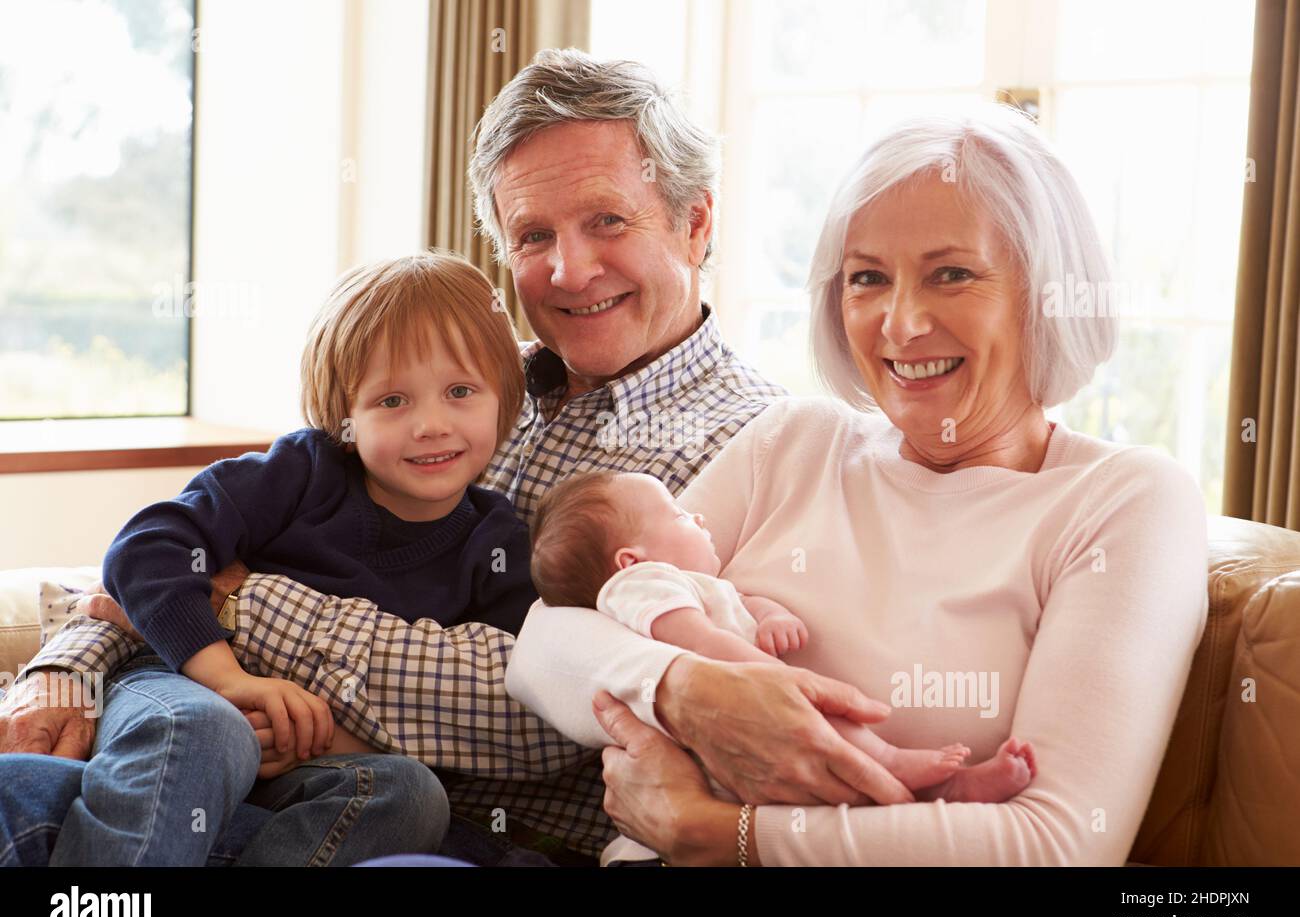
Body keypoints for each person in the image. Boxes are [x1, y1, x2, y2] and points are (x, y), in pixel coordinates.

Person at [0, 49, 787, 866]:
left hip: (438, 827)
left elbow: (549, 696)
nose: (569, 269)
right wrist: (65, 671)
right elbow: (178, 546)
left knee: (56, 811)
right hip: (253, 760)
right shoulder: (458, 379)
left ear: (695, 221)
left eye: (608, 221)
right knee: (71, 786)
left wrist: (241, 612)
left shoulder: (761, 447)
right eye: (532, 235)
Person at [504, 105, 1210, 866]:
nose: (900, 323)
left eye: (952, 274)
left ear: (1047, 290)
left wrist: (723, 834)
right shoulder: (794, 440)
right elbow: (546, 644)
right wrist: (686, 689)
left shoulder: (1127, 501)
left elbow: (1056, 845)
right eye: (868, 278)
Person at [1, 250, 538, 865]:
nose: (431, 424)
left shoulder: (497, 542)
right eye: (392, 401)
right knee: (207, 729)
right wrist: (230, 681)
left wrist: (314, 733)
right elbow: (144, 549)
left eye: (460, 391)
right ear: (345, 417)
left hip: (315, 758)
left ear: (506, 399)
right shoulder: (300, 472)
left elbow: (494, 702)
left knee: (410, 795)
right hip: (180, 685)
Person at [529, 468, 1037, 864]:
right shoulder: (640, 587)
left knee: (816, 752)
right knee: (819, 724)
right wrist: (771, 679)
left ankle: (940, 789)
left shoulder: (692, 584)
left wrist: (772, 618)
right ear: (628, 561)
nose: (699, 518)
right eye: (679, 515)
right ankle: (896, 763)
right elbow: (697, 638)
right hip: (676, 815)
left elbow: (743, 604)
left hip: (733, 807)